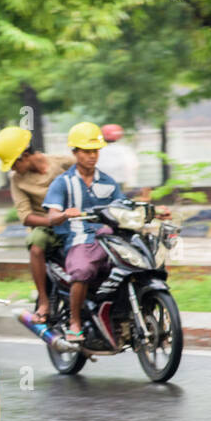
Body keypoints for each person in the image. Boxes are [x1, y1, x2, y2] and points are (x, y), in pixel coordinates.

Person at [41, 123, 125, 344]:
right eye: (86, 151)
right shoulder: (63, 183)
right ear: (75, 153)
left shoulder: (108, 182)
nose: (92, 156)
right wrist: (65, 214)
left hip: (108, 239)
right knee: (82, 269)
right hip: (79, 239)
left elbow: (123, 207)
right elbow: (51, 216)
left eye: (95, 151)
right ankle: (75, 323)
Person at [0, 126, 73, 321]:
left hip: (77, 219)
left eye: (13, 163)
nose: (12, 169)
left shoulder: (64, 163)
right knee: (35, 245)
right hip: (46, 227)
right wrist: (53, 220)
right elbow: (25, 216)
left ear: (25, 155)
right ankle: (44, 301)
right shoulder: (17, 180)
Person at [95, 124, 140, 198]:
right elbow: (134, 166)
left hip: (102, 185)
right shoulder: (125, 150)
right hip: (123, 185)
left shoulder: (98, 150)